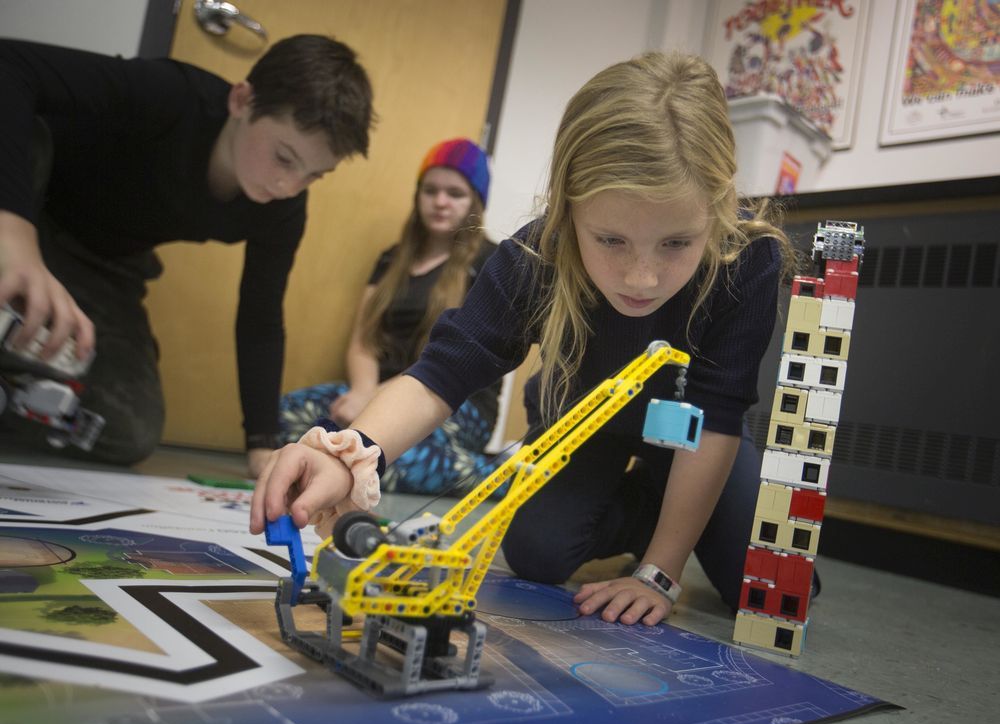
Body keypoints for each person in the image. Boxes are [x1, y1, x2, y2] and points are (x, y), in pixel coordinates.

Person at [250, 51, 799, 627]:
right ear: (568, 209)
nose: (642, 278)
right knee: (538, 552)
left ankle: (675, 507)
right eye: (610, 240)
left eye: (676, 244)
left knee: (763, 588)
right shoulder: (535, 255)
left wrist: (660, 571)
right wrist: (351, 456)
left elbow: (717, 415)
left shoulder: (747, 261)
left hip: (695, 435)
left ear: (717, 211)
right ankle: (649, 508)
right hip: (582, 425)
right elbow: (442, 372)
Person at [0, 35, 374, 476]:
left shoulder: (283, 209)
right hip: (31, 212)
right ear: (242, 101)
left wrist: (261, 445)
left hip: (107, 267)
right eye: (284, 158)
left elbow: (261, 315)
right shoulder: (174, 95)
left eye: (314, 175)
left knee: (132, 430)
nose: (288, 187)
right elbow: (11, 64)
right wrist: (15, 231)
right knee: (32, 138)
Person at [278, 138, 501, 496]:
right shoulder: (391, 259)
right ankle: (414, 460)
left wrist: (378, 402)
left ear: (475, 201)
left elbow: (460, 359)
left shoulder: (491, 262)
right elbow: (363, 339)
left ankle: (498, 476)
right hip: (380, 393)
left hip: (457, 401)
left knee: (386, 458)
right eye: (430, 190)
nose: (440, 201)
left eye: (455, 193)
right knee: (289, 414)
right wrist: (364, 392)